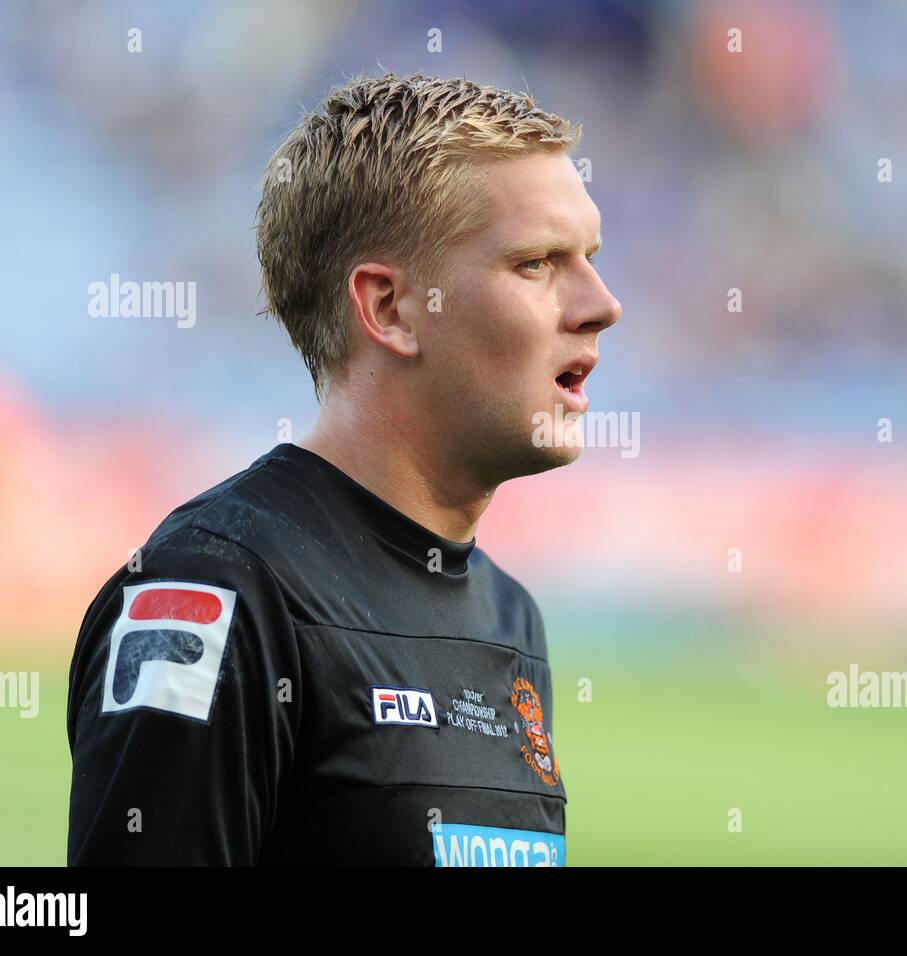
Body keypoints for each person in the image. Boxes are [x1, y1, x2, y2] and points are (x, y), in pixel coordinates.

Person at [66, 72, 623, 866]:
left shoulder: (510, 616)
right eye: (537, 263)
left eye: (591, 258)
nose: (602, 303)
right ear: (390, 309)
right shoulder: (214, 591)